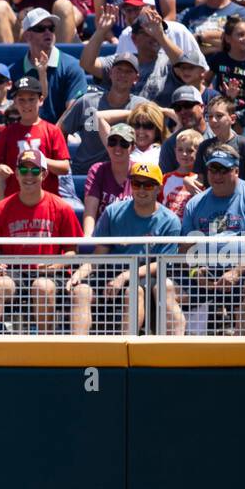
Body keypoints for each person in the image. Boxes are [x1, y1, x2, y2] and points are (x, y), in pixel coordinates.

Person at [0, 147, 83, 334]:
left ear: (44, 175)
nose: (29, 176)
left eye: (35, 170)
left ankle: (47, 347)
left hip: (51, 275)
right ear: (16, 174)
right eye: (24, 170)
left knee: (42, 287)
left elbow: (72, 250)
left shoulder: (61, 207)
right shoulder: (1, 209)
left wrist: (58, 263)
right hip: (15, 272)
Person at [179, 143, 245, 336]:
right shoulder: (195, 203)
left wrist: (236, 271)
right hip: (206, 275)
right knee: (165, 289)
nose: (217, 176)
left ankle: (238, 345)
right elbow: (184, 249)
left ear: (236, 170)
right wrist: (195, 272)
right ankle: (176, 352)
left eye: (224, 170)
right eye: (213, 169)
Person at [78, 161, 182, 334]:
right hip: (111, 271)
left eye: (148, 185)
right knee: (80, 290)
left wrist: (126, 276)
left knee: (132, 292)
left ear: (158, 188)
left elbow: (161, 264)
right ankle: (78, 355)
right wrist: (80, 273)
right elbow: (100, 253)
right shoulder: (113, 211)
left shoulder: (170, 220)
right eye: (136, 183)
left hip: (146, 273)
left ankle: (127, 354)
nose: (141, 189)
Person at [58, 51, 148, 177]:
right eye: (119, 70)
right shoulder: (87, 101)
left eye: (128, 71)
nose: (122, 74)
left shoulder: (142, 107)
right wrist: (63, 159)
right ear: (110, 73)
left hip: (125, 176)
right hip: (85, 172)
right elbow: (59, 131)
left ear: (136, 78)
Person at [0, 76, 70, 202]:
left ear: (41, 100)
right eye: (21, 100)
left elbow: (64, 167)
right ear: (14, 101)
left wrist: (39, 160)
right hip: (15, 200)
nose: (26, 105)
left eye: (31, 99)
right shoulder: (8, 132)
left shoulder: (52, 131)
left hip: (46, 201)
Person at [84, 3, 185, 101]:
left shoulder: (168, 63)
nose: (153, 36)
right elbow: (87, 64)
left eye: (157, 30)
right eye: (148, 32)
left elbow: (185, 65)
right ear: (134, 38)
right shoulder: (122, 62)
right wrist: (101, 31)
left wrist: (160, 36)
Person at [5, 6, 87, 124]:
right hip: (25, 135)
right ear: (28, 35)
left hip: (64, 136)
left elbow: (74, 111)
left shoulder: (72, 66)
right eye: (40, 28)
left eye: (51, 28)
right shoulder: (14, 71)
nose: (48, 32)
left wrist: (51, 135)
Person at [8, 0, 94, 45]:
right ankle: (7, 59)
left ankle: (59, 61)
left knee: (62, 6)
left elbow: (71, 22)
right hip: (35, 39)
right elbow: (19, 5)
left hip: (67, 43)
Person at [193, 95, 245, 185]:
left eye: (219, 116)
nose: (213, 120)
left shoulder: (244, 143)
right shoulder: (204, 146)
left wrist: (237, 188)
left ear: (232, 119)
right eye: (210, 116)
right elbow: (200, 179)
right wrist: (190, 180)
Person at [82, 122, 135, 237]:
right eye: (112, 142)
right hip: (103, 237)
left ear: (133, 147)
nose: (117, 147)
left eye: (124, 143)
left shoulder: (139, 172)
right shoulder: (97, 170)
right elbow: (90, 212)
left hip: (131, 237)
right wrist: (88, 240)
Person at [206, 14, 245, 116]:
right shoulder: (219, 59)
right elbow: (205, 80)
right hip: (221, 111)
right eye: (240, 35)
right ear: (227, 38)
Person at [158, 84, 208, 173]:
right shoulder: (170, 145)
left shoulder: (218, 134)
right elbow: (166, 181)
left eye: (188, 105)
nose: (183, 111)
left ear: (202, 107)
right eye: (178, 108)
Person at [161, 126, 204, 218]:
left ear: (199, 152)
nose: (184, 154)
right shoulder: (166, 178)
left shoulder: (200, 179)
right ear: (175, 151)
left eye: (190, 151)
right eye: (180, 150)